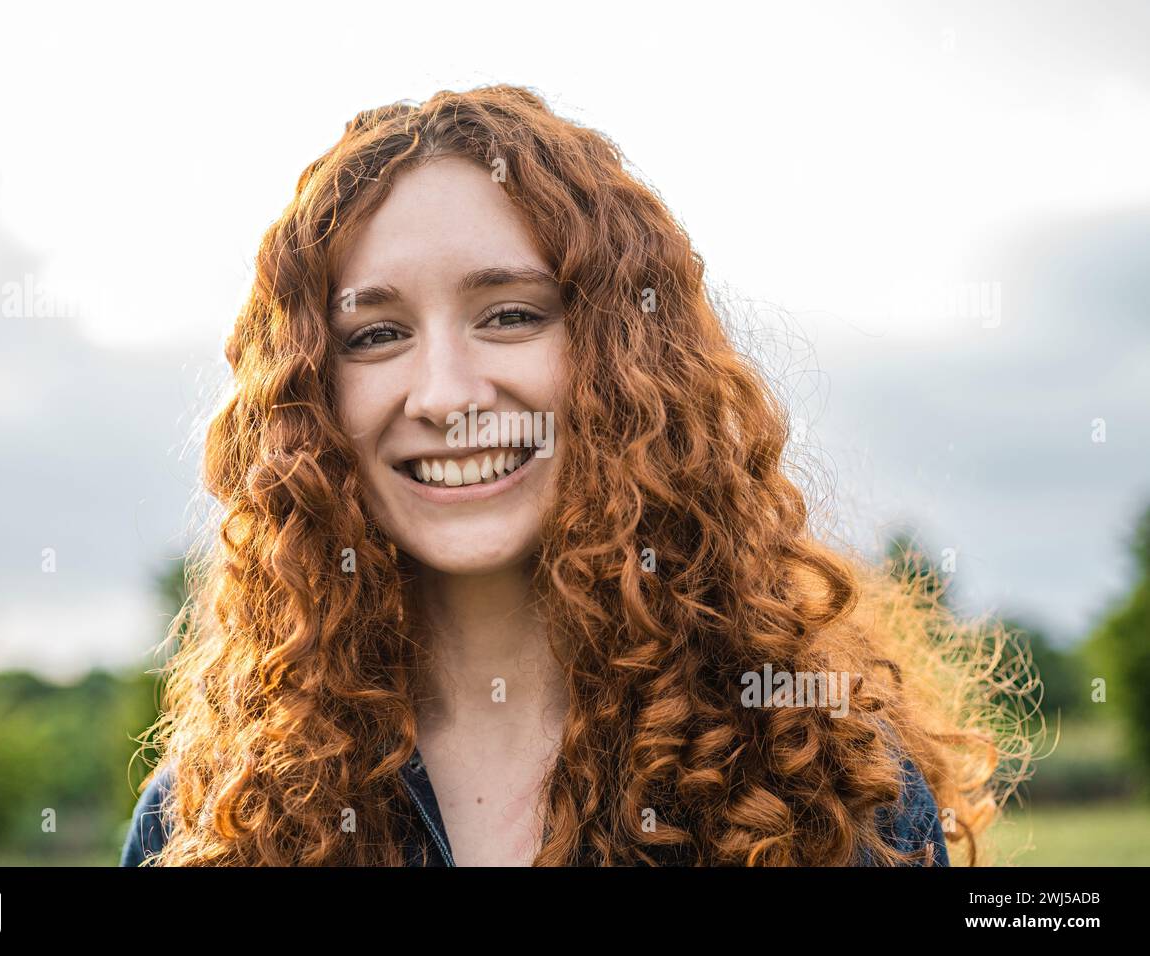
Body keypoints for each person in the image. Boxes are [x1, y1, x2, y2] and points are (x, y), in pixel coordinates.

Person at [122, 85, 1030, 866]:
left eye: (511, 314)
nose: (445, 394)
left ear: (623, 360)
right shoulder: (206, 815)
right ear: (313, 400)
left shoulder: (827, 786)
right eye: (376, 334)